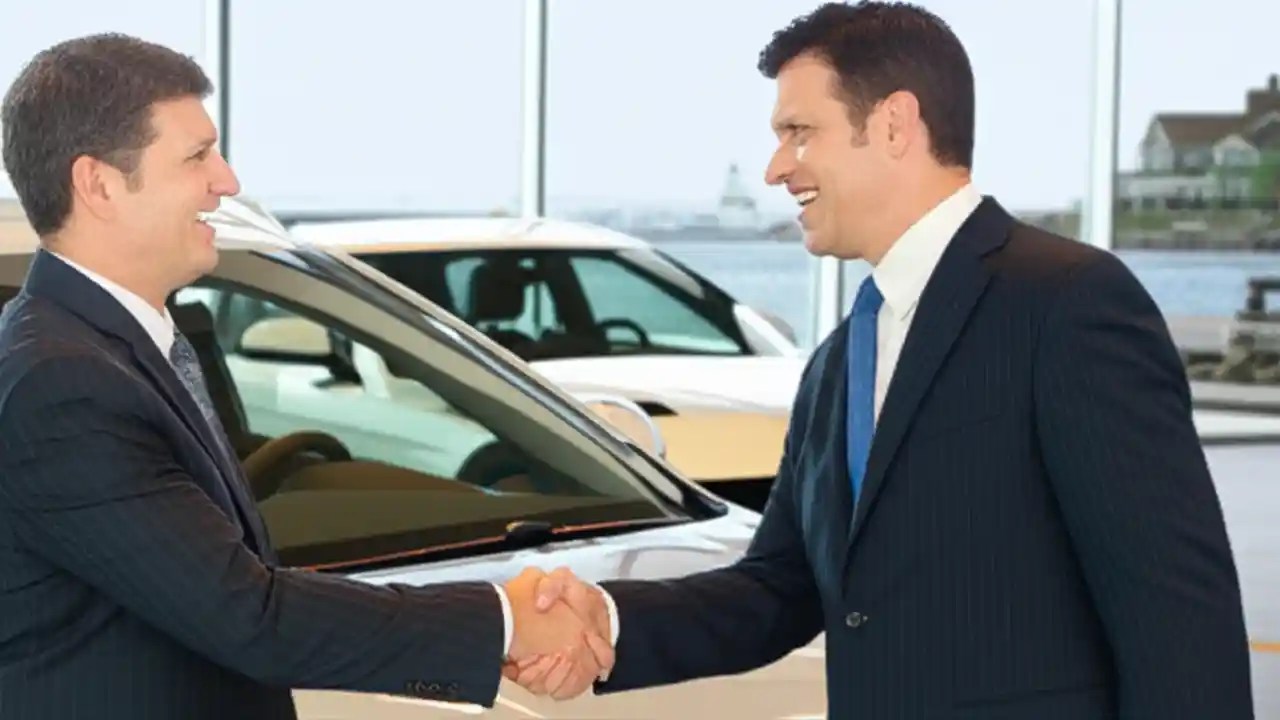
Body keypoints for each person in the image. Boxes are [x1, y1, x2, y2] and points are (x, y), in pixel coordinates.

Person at [506, 2, 1256, 717]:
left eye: (800, 131)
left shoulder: (1068, 305)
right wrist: (603, 621)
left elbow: (1179, 616)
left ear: (895, 123)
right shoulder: (837, 362)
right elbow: (781, 587)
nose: (776, 168)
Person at [0, 34, 611, 720]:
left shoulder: (109, 349)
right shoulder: (63, 385)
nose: (226, 181)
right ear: (99, 184)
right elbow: (249, 616)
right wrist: (505, 619)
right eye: (197, 156)